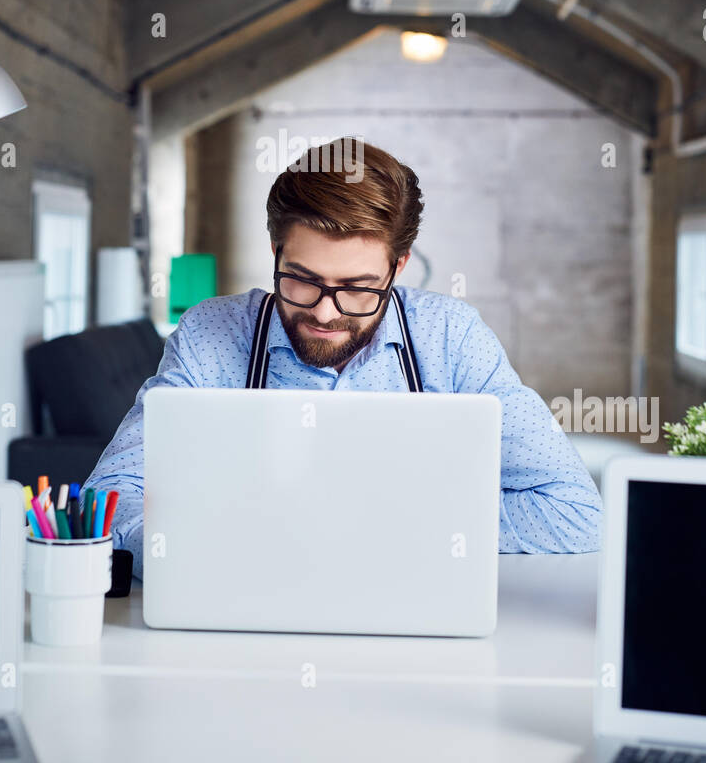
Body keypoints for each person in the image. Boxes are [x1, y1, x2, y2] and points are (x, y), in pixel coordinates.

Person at [81, 138, 602, 575]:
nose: (326, 314)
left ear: (397, 268)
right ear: (275, 252)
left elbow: (574, 512)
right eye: (303, 281)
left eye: (358, 288)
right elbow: (108, 499)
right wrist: (224, 546)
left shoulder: (452, 337)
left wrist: (386, 532)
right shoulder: (210, 333)